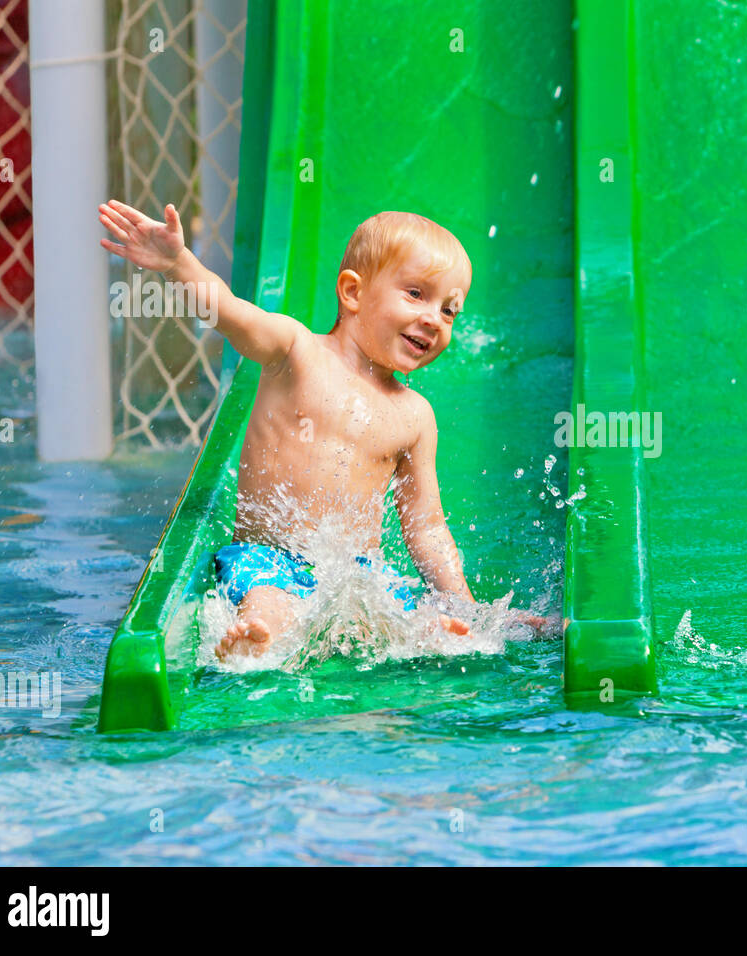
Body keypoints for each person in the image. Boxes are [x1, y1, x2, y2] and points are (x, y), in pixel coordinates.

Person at [98, 201, 557, 659]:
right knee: (271, 606)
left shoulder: (415, 416)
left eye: (449, 311)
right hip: (269, 558)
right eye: (416, 294)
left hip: (356, 579)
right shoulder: (294, 352)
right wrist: (179, 263)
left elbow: (427, 527)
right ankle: (256, 637)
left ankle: (462, 627)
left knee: (410, 621)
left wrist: (468, 606)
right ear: (353, 292)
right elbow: (227, 311)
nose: (434, 319)